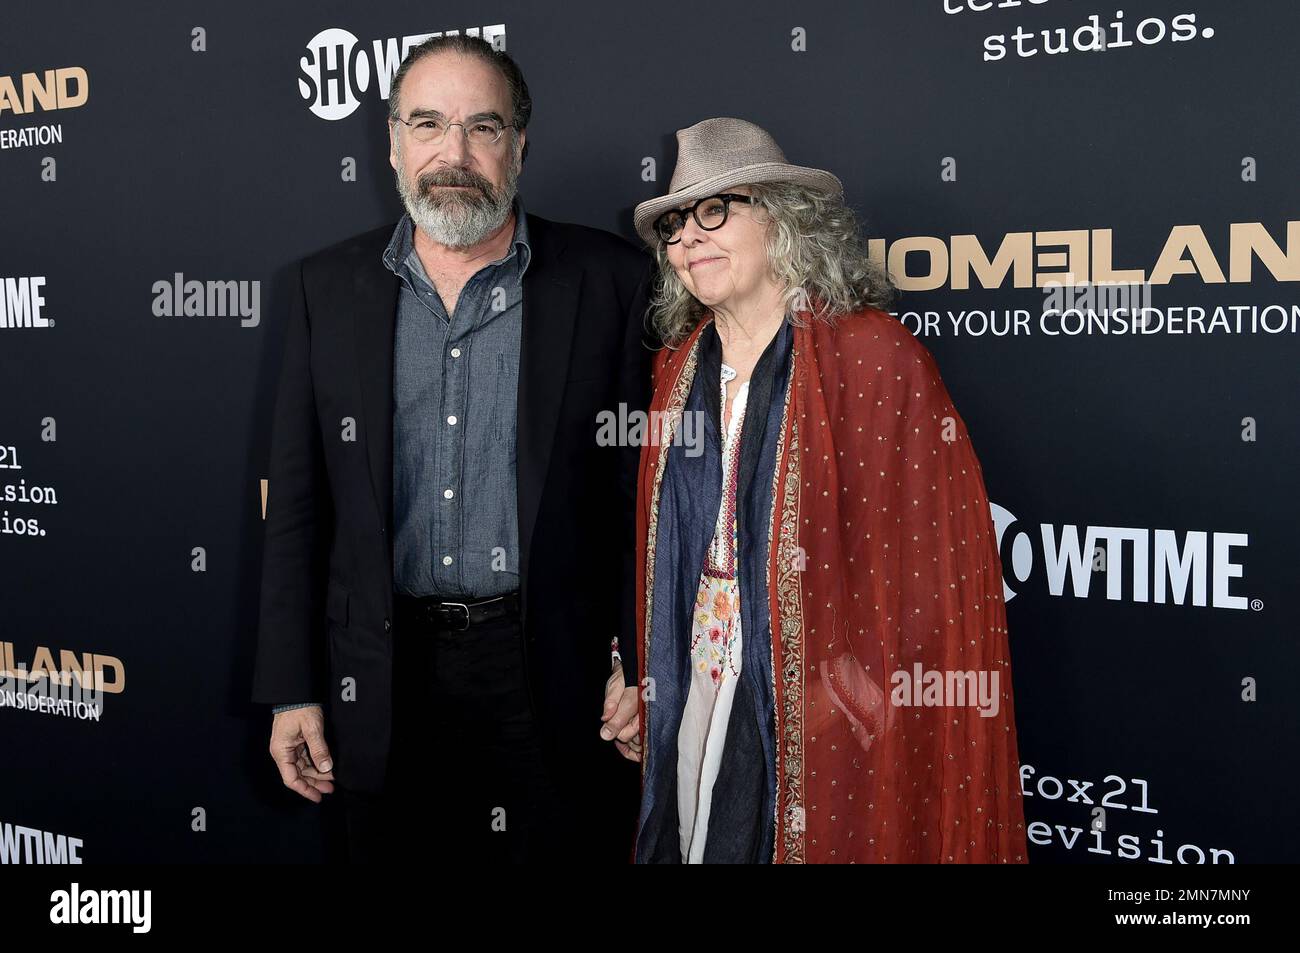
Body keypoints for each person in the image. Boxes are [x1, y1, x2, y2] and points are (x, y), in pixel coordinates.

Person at [252, 34, 652, 863]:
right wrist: (291, 687)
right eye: (428, 123)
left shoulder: (611, 281)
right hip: (381, 682)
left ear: (520, 145)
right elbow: (296, 505)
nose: (454, 153)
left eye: (483, 127)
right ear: (392, 140)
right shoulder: (322, 288)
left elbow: (639, 501)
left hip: (556, 682)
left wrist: (643, 667)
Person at [599, 117, 1029, 863]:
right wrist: (639, 673)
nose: (688, 236)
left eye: (715, 209)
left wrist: (849, 693)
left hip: (827, 703)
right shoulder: (678, 366)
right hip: (695, 676)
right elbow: (660, 550)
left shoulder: (875, 358)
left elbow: (941, 574)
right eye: (674, 221)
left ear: (784, 217)